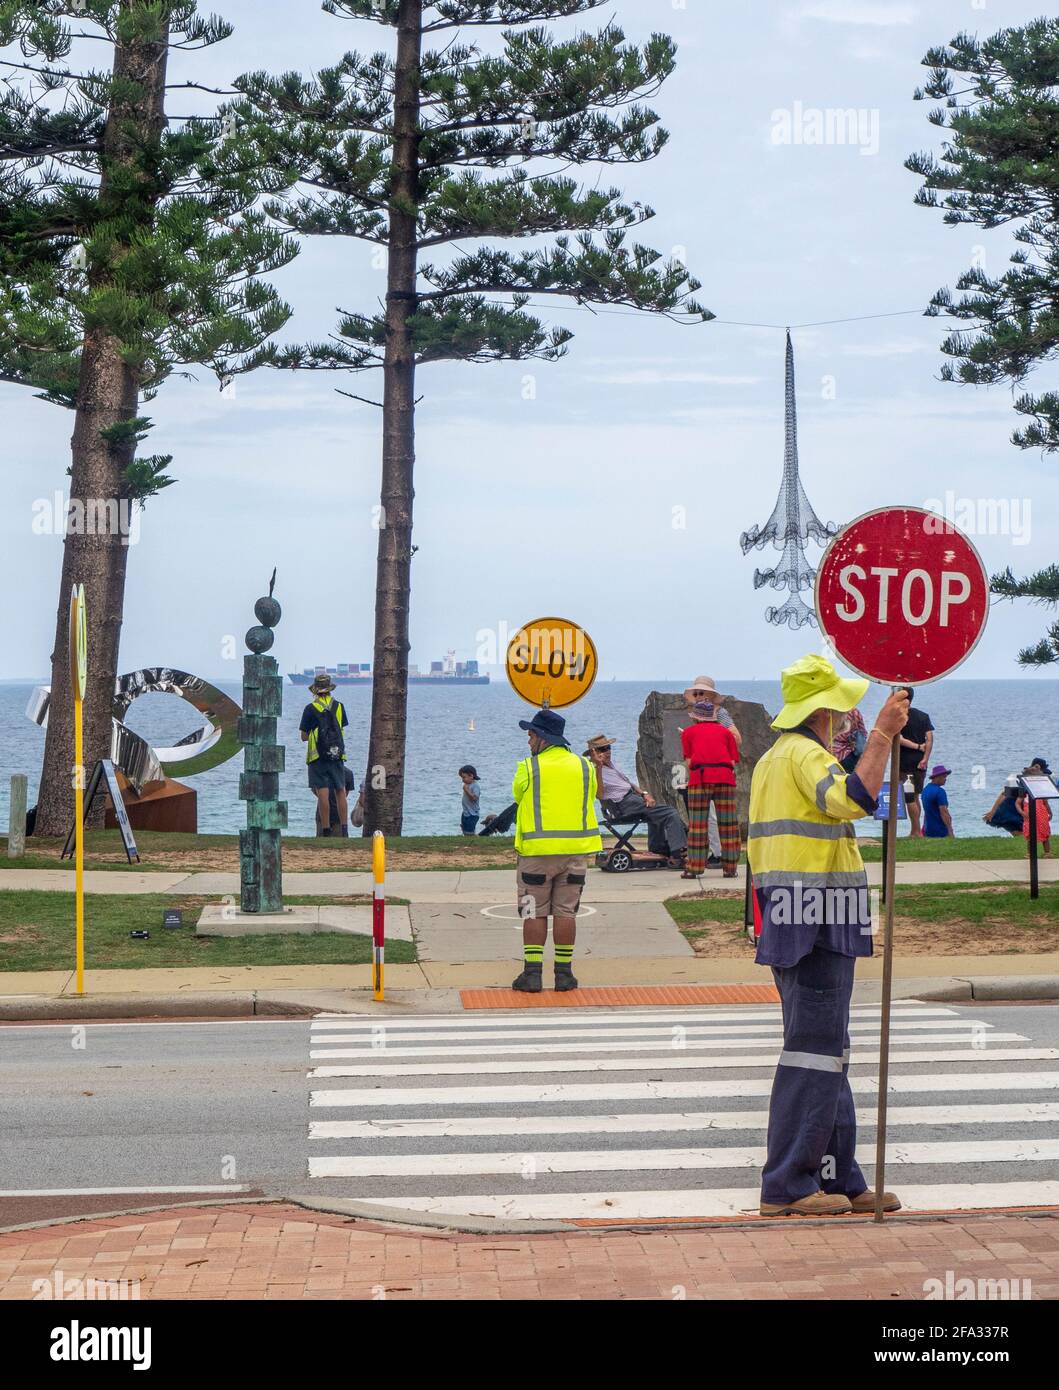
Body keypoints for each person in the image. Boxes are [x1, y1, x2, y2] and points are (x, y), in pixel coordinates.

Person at [748, 653, 908, 1218]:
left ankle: (839, 1178)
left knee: (828, 1051)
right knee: (814, 1053)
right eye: (840, 705)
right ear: (823, 709)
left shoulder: (777, 757)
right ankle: (788, 1184)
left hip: (802, 913)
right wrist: (884, 736)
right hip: (813, 916)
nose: (847, 714)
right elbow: (855, 800)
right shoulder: (803, 755)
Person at [511, 708, 602, 993]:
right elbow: (592, 795)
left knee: (533, 913)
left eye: (530, 736)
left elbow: (517, 794)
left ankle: (532, 974)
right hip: (576, 854)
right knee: (566, 913)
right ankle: (564, 975)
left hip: (536, 856)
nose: (528, 742)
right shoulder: (585, 767)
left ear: (541, 738)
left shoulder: (529, 767)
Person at [585, 733, 687, 865]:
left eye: (608, 747)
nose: (607, 751)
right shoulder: (593, 770)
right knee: (670, 813)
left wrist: (645, 794)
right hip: (622, 805)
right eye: (602, 749)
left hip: (632, 799)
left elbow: (628, 783)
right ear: (593, 753)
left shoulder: (611, 764)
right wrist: (598, 766)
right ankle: (677, 854)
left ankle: (659, 849)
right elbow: (599, 794)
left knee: (657, 814)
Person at [684, 676, 742, 868]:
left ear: (711, 694)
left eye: (702, 692)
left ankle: (713, 856)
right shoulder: (697, 718)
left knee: (711, 820)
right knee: (713, 819)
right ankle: (721, 859)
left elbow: (735, 737)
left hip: (708, 772)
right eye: (696, 693)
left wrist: (713, 737)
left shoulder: (721, 714)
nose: (699, 696)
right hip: (717, 772)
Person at [299, 674, 349, 836]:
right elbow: (341, 728)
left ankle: (326, 830)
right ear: (329, 689)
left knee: (323, 792)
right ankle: (344, 829)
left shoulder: (310, 709)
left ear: (315, 690)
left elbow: (303, 737)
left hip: (317, 757)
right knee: (340, 790)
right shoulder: (339, 706)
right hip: (337, 755)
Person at [898, 687, 934, 837]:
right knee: (915, 796)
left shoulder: (900, 717)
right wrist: (925, 758)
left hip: (905, 763)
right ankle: (917, 830)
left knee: (909, 798)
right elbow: (930, 739)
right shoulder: (923, 716)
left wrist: (918, 747)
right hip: (920, 763)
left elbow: (898, 739)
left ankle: (916, 831)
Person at [1017, 766, 1053, 857]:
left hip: (1042, 815)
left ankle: (1047, 852)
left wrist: (1050, 812)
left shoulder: (1040, 789)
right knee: (1030, 835)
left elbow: (1045, 802)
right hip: (1029, 816)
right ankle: (1029, 853)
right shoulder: (1024, 790)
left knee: (1045, 833)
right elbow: (1017, 803)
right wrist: (1022, 812)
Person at [315, 765, 356, 837]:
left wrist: (324, 799)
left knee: (323, 840)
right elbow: (345, 794)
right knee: (338, 839)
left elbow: (316, 791)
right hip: (336, 816)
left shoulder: (320, 772)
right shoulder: (348, 773)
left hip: (329, 815)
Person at [832, 705, 867, 774]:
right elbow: (863, 732)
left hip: (831, 754)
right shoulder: (854, 711)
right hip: (850, 754)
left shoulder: (829, 711)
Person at [921, 765, 954, 838]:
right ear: (937, 777)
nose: (945, 779)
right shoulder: (940, 792)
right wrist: (950, 830)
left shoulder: (925, 790)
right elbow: (944, 812)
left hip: (927, 829)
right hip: (940, 831)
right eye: (944, 777)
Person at [459, 765, 481, 835]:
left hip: (473, 814)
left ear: (471, 776)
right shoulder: (467, 785)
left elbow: (474, 798)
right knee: (465, 830)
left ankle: (473, 842)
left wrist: (467, 790)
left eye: (464, 777)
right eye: (462, 777)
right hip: (466, 812)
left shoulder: (475, 786)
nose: (462, 780)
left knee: (469, 832)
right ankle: (467, 841)